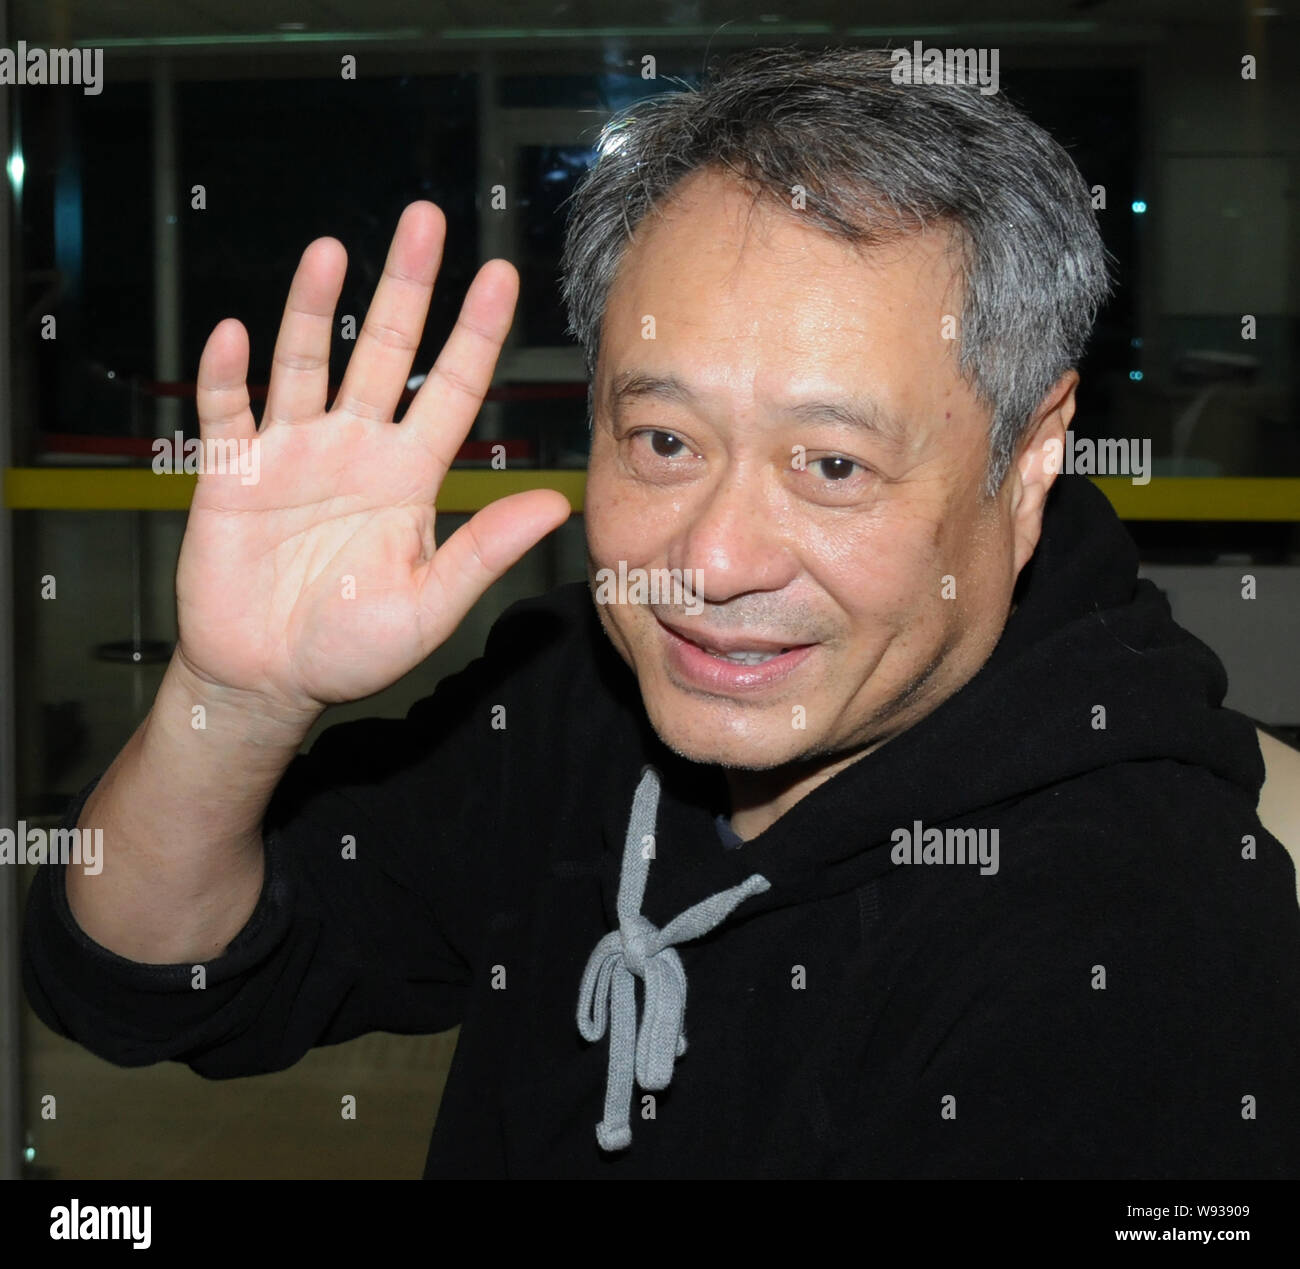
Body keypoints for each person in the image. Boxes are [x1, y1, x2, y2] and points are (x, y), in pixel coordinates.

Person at [22, 46, 1299, 1178]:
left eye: (833, 465)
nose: (716, 559)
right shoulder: (578, 702)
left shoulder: (1142, 933)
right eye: (664, 439)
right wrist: (234, 702)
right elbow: (153, 986)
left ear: (1026, 463)